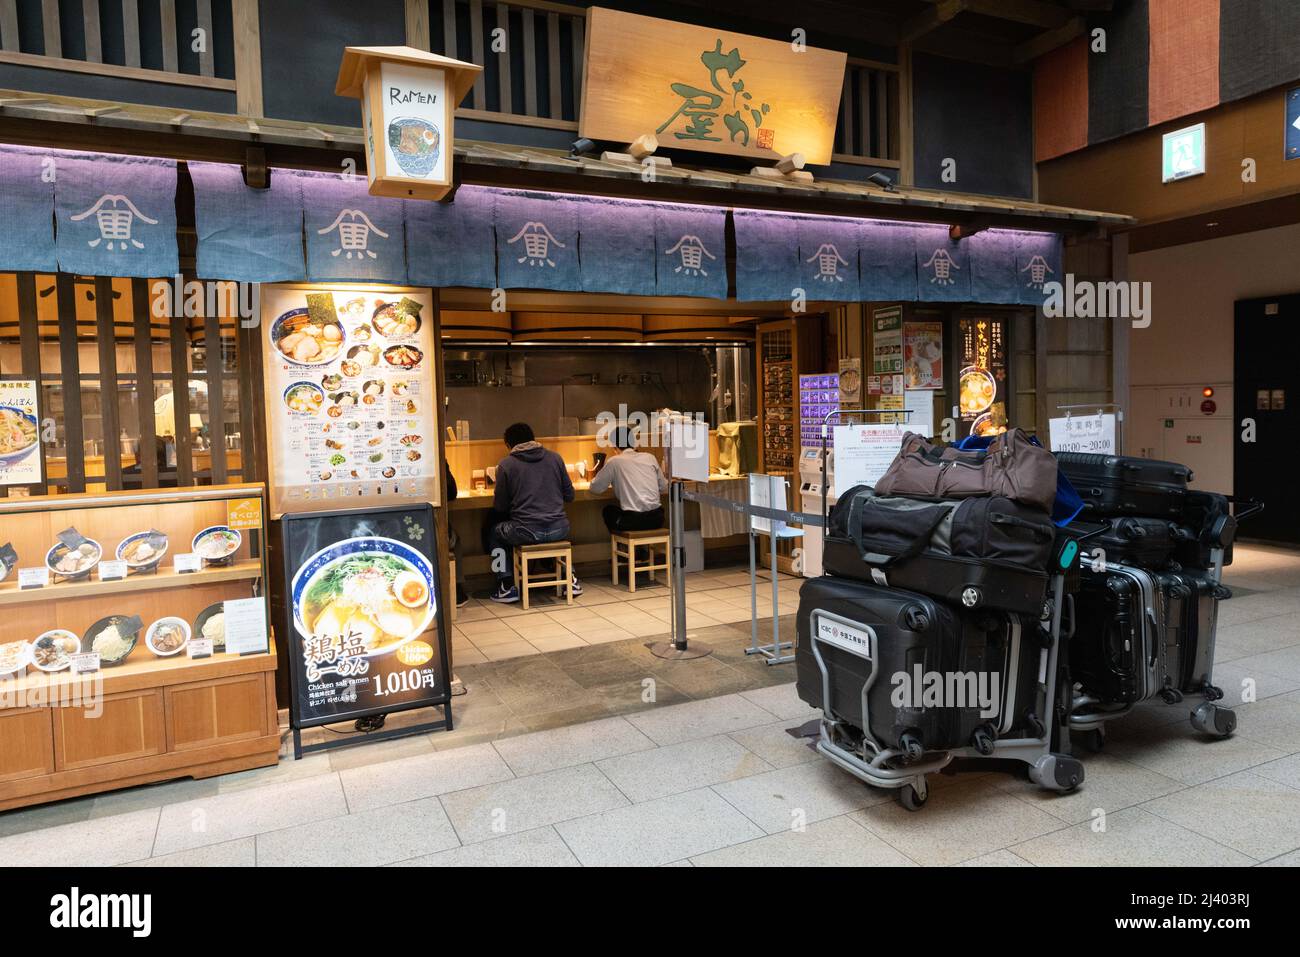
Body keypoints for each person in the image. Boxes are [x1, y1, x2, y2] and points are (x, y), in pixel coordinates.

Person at [483, 422, 580, 603]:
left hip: (526, 531)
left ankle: (506, 584)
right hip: (559, 528)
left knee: (495, 532)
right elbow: (570, 495)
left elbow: (500, 506)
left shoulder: (506, 464)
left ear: (508, 445)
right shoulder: (555, 458)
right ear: (533, 439)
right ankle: (570, 579)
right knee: (555, 533)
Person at [590, 427, 668, 533]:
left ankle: (625, 547)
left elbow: (595, 488)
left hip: (633, 521)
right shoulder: (650, 458)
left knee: (608, 511)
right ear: (633, 442)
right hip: (657, 519)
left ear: (614, 446)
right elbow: (664, 487)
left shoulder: (614, 461)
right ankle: (639, 549)